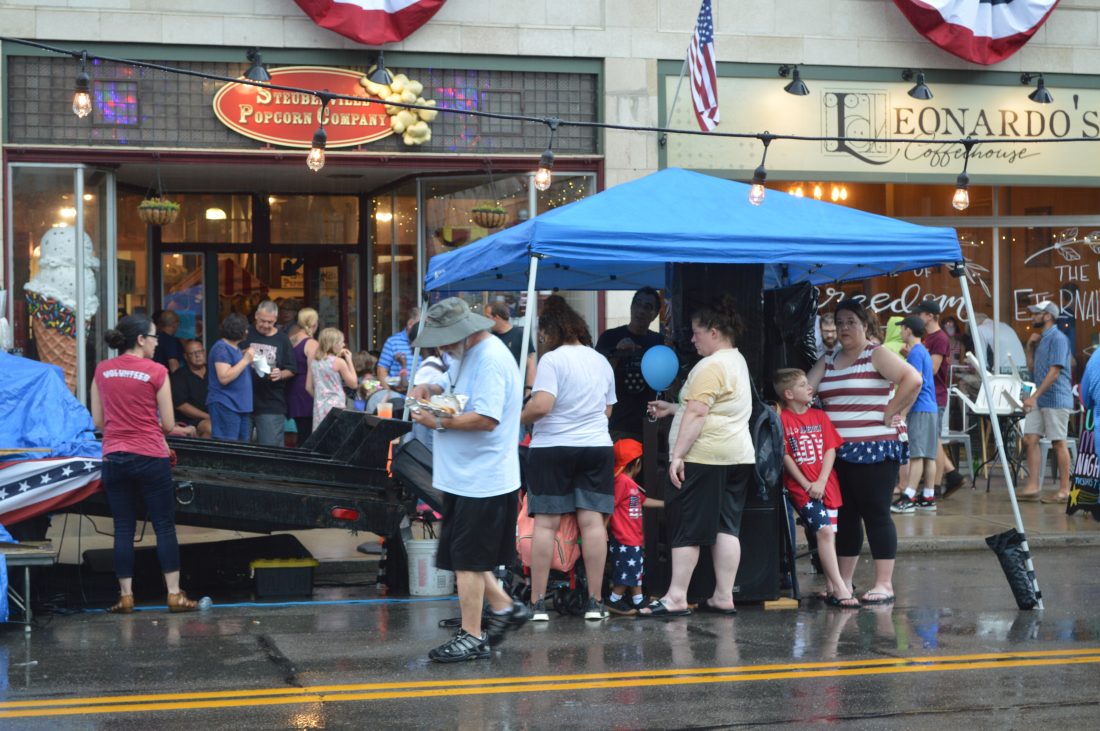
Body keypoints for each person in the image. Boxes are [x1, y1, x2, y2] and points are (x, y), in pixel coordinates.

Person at [407, 297, 529, 662]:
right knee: (465, 557)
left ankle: (473, 635)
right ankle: (506, 608)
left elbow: (486, 418)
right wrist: (430, 390)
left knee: (468, 561)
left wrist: (438, 421)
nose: (442, 347)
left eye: (446, 339)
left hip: (484, 477)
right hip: (466, 475)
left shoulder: (490, 357)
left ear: (466, 332)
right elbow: (453, 386)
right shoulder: (467, 354)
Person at [640, 295, 753, 617]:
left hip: (705, 457)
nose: (692, 339)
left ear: (714, 331)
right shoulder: (736, 359)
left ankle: (676, 597)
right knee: (726, 527)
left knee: (686, 526)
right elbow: (715, 407)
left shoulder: (711, 365)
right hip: (737, 455)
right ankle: (723, 596)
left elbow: (699, 413)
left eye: (696, 332)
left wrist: (677, 455)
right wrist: (674, 409)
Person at [809, 299, 922, 606]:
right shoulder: (828, 358)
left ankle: (884, 584)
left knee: (876, 515)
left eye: (850, 322)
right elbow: (806, 390)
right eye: (839, 322)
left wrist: (892, 410)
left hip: (874, 448)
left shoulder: (877, 353)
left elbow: (913, 379)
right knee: (845, 517)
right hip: (838, 452)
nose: (844, 328)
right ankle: (843, 581)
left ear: (865, 325)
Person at [90, 314, 198, 614]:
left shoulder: (102, 371)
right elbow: (167, 423)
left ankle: (126, 596)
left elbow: (98, 421)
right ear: (140, 339)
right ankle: (174, 594)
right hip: (150, 456)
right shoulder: (157, 371)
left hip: (115, 456)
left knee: (123, 527)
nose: (156, 342)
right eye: (154, 337)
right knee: (164, 526)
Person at [520, 295, 617, 622]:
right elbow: (607, 410)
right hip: (596, 447)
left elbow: (543, 405)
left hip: (553, 448)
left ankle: (537, 605)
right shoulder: (600, 360)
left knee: (546, 525)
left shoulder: (552, 360)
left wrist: (518, 416)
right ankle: (595, 601)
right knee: (593, 525)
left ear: (551, 331)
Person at [773, 368, 858, 609]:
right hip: (803, 488)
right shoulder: (783, 420)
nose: (809, 387)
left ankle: (832, 586)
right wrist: (806, 484)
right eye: (802, 385)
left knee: (830, 533)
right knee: (824, 532)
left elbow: (830, 448)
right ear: (788, 393)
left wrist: (821, 481)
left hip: (827, 485)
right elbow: (786, 457)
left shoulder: (820, 416)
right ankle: (841, 588)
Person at [1018, 300, 1074, 504]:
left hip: (1056, 398)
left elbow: (1055, 371)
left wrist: (1034, 396)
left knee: (1058, 442)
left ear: (1048, 316)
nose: (1033, 317)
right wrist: (1029, 348)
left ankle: (1065, 489)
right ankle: (1033, 486)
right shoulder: (1042, 340)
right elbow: (1033, 369)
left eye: (1036, 313)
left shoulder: (1058, 338)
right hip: (1041, 398)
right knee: (1029, 439)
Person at [604, 438, 664, 616]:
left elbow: (643, 501)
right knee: (627, 572)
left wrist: (665, 504)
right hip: (624, 538)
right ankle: (614, 600)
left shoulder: (630, 484)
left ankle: (638, 601)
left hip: (633, 537)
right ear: (637, 463)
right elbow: (611, 506)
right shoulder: (622, 482)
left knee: (636, 569)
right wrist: (603, 529)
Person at [915, 299, 968, 496]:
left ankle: (936, 484)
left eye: (920, 314)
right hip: (931, 395)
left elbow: (934, 368)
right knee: (933, 440)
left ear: (929, 316)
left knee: (933, 440)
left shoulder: (939, 338)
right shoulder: (929, 338)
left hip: (935, 395)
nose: (918, 317)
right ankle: (951, 475)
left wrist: (914, 354)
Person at [596, 287, 664, 440]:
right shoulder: (609, 337)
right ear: (631, 307)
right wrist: (617, 353)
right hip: (615, 422)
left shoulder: (658, 341)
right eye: (637, 304)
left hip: (648, 423)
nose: (641, 311)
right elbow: (596, 378)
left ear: (655, 315)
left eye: (648, 307)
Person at [891, 316, 940, 513]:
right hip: (930, 408)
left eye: (902, 329)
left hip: (920, 408)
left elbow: (915, 384)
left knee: (917, 454)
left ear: (909, 330)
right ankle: (928, 496)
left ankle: (908, 496)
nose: (901, 332)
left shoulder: (915, 354)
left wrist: (903, 412)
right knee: (928, 455)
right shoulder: (922, 352)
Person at [242, 300, 296, 446]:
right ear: (256, 316)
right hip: (244, 401)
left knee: (270, 450)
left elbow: (292, 369)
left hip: (271, 403)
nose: (266, 325)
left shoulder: (282, 339)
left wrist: (281, 374)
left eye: (270, 322)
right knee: (240, 450)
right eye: (262, 321)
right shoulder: (245, 333)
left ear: (276, 319)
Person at [207, 312, 254, 441]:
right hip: (226, 404)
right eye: (245, 328)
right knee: (228, 448)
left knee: (242, 450)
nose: (247, 331)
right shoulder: (221, 348)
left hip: (240, 405)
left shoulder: (235, 347)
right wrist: (245, 360)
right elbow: (224, 378)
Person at [306, 327, 358, 430]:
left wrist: (320, 397)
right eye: (341, 342)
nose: (343, 345)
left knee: (320, 437)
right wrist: (349, 360)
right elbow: (353, 384)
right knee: (335, 437)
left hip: (319, 406)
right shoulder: (339, 362)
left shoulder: (314, 362)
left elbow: (308, 387)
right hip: (336, 405)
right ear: (334, 344)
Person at [485, 300, 536, 391]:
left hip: (516, 390)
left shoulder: (520, 334)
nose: (485, 321)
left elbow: (531, 365)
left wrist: (528, 392)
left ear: (496, 317)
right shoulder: (490, 337)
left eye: (487, 317)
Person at [287, 308, 320, 443]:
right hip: (306, 392)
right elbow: (313, 371)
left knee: (300, 431)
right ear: (314, 324)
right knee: (307, 436)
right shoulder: (311, 343)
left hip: (291, 389)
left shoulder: (290, 339)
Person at [170, 339, 212, 438]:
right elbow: (182, 406)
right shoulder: (179, 376)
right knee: (211, 428)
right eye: (192, 353)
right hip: (191, 420)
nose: (197, 355)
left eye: (200, 351)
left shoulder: (213, 371)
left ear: (204, 352)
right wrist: (208, 417)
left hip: (215, 415)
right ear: (186, 356)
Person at [377, 307, 420, 390]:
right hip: (399, 394)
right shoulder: (392, 342)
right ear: (410, 324)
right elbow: (381, 371)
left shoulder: (425, 343)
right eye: (420, 324)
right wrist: (390, 394)